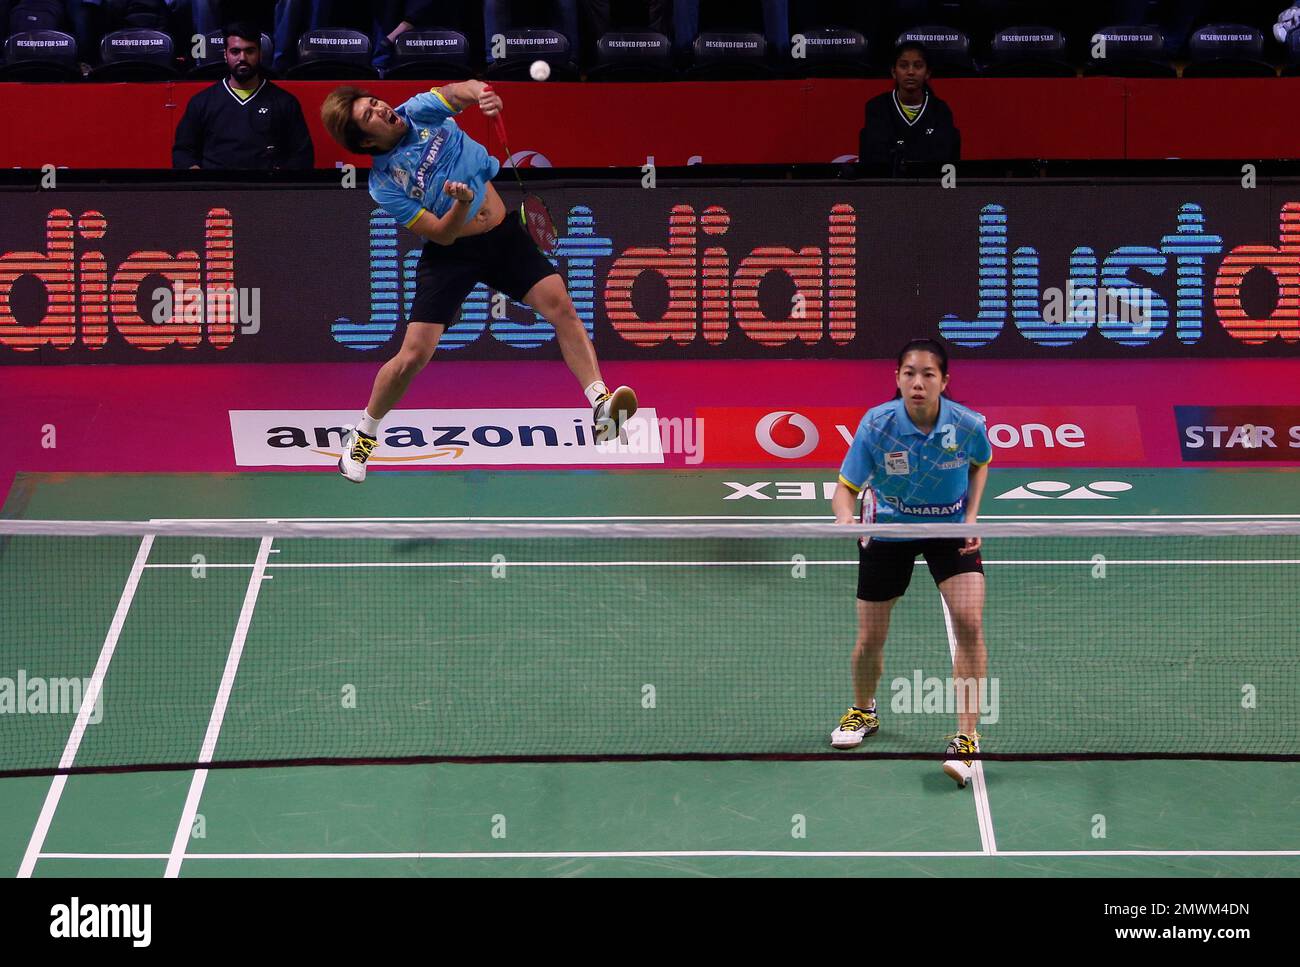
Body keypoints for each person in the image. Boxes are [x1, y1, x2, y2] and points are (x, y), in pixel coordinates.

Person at [318, 81, 638, 483]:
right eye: (369, 115)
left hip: (503, 235)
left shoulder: (417, 110)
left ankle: (601, 405)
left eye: (375, 102)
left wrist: (481, 95)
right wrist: (462, 204)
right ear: (364, 141)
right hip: (452, 253)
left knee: (562, 307)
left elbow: (459, 91)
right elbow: (441, 234)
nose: (381, 110)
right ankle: (363, 436)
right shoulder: (385, 184)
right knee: (413, 355)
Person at [829, 338, 992, 788]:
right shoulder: (878, 425)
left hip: (948, 531)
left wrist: (972, 516)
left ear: (944, 380)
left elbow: (981, 463)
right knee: (870, 639)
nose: (917, 383)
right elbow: (845, 487)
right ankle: (864, 709)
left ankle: (967, 737)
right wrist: (846, 519)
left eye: (927, 375)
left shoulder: (966, 424)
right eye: (909, 374)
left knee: (970, 623)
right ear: (897, 377)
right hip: (889, 532)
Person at [172, 22, 314, 169]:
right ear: (225, 55)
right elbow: (182, 152)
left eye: (250, 51)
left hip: (267, 188)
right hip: (215, 188)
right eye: (235, 51)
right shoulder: (201, 102)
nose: (242, 58)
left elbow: (303, 156)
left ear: (260, 54)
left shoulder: (285, 102)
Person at [859, 41, 960, 175]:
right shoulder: (877, 107)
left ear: (927, 73)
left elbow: (944, 158)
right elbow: (876, 157)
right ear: (894, 72)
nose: (911, 72)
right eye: (903, 66)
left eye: (918, 66)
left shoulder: (940, 110)